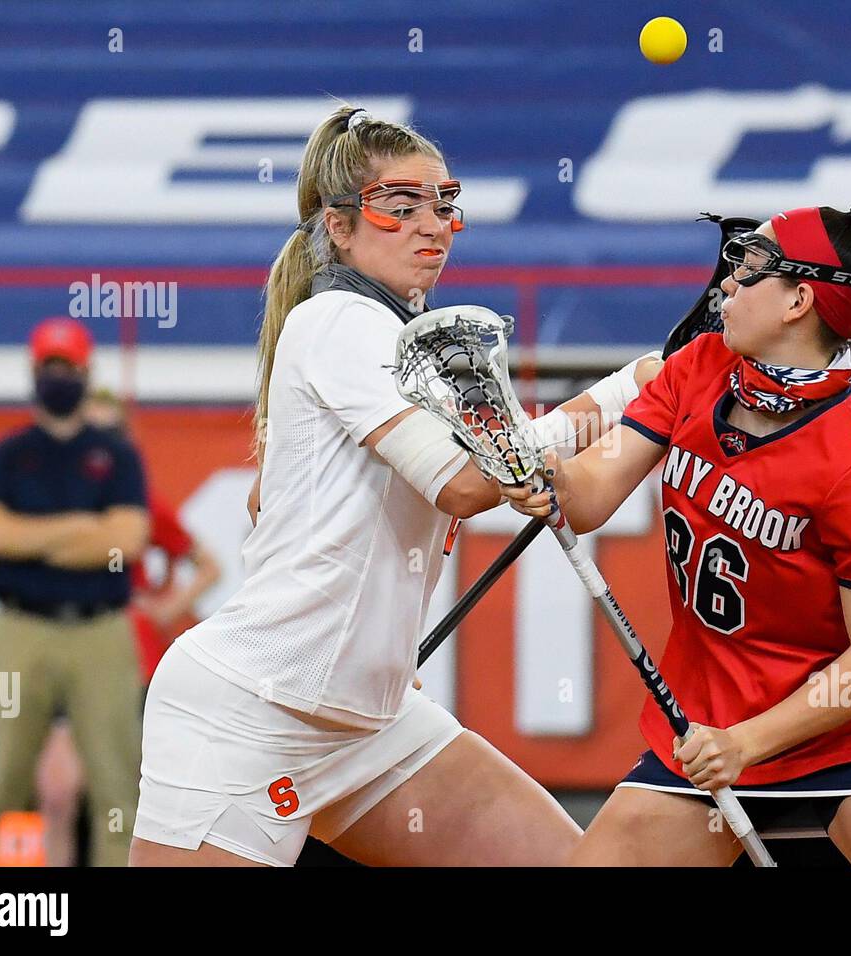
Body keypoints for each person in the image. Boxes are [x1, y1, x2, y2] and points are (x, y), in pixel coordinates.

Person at [130, 105, 660, 867]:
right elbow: (474, 481)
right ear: (340, 228)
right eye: (401, 208)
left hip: (373, 723)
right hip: (249, 719)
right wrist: (632, 387)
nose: (432, 226)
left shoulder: (406, 343)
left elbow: (288, 502)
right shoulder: (341, 323)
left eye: (444, 205)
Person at [503, 186, 851, 866]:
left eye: (751, 267)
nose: (727, 280)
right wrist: (548, 477)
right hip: (703, 729)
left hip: (849, 739)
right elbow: (592, 494)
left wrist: (746, 745)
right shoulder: (699, 368)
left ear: (798, 300)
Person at [0, 316, 149, 867]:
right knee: (5, 784)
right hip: (22, 629)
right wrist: (82, 529)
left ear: (87, 373)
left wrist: (31, 538)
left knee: (120, 789)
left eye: (68, 366)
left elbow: (128, 539)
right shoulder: (5, 456)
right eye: (50, 365)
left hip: (101, 632)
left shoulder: (117, 456)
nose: (59, 376)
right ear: (32, 371)